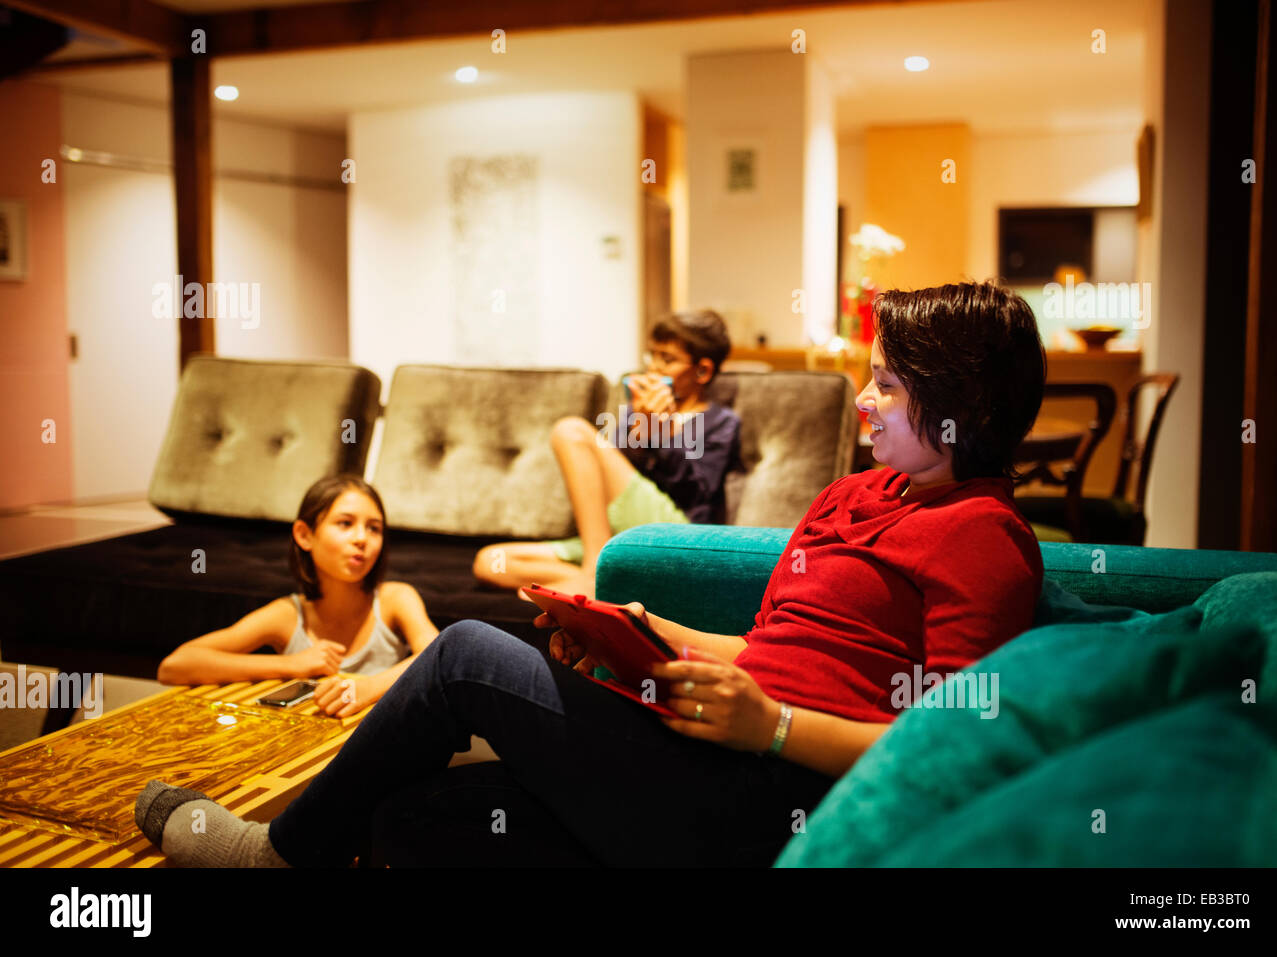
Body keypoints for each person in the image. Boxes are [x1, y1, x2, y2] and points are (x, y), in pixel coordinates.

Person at [135, 282, 1046, 867]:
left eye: (886, 383)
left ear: (959, 402)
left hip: (770, 801)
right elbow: (769, 646)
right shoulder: (855, 494)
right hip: (695, 754)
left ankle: (270, 857)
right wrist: (649, 638)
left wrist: (771, 728)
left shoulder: (982, 537)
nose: (863, 399)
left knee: (463, 655)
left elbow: (953, 751)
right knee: (415, 819)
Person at [471, 309, 741, 599]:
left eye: (668, 359)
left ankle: (590, 576)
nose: (655, 368)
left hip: (673, 534)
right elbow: (614, 477)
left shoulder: (719, 422)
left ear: (703, 371)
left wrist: (663, 434)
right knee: (491, 562)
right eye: (653, 355)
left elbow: (696, 492)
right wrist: (641, 427)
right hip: (617, 536)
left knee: (570, 431)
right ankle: (612, 581)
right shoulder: (633, 414)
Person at [155, 474, 439, 717]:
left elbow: (438, 654)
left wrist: (368, 688)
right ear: (304, 536)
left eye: (374, 528)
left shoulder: (395, 598)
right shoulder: (288, 614)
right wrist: (291, 664)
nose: (361, 538)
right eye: (345, 523)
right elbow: (175, 666)